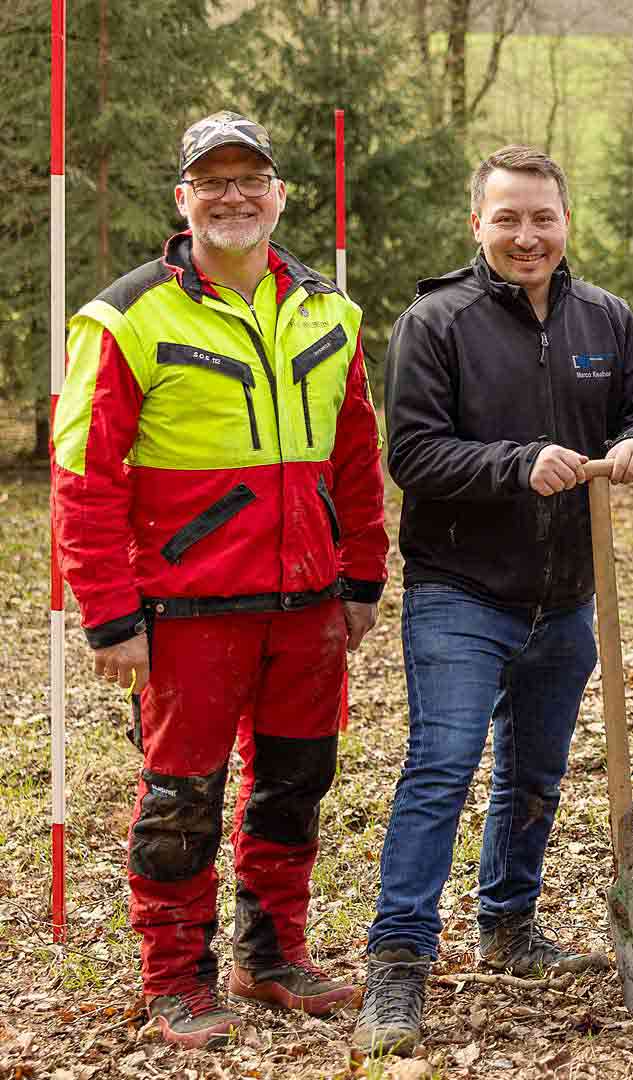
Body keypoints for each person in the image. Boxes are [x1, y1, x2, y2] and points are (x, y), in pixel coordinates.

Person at [51, 111, 388, 1048]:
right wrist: (109, 614)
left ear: (279, 196)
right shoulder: (126, 316)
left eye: (250, 180)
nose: (232, 197)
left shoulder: (331, 311)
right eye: (212, 181)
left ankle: (270, 956)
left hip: (309, 604)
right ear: (183, 199)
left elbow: (356, 456)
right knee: (180, 801)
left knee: (296, 784)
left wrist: (362, 577)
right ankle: (176, 979)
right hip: (187, 609)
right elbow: (82, 477)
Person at [354, 146, 633, 1056]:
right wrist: (516, 464)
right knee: (442, 767)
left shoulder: (603, 317)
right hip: (462, 590)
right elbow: (413, 454)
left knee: (534, 774)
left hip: (567, 595)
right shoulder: (436, 321)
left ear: (565, 222)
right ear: (477, 225)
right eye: (508, 219)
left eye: (542, 218)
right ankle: (399, 964)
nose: (526, 236)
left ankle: (509, 927)